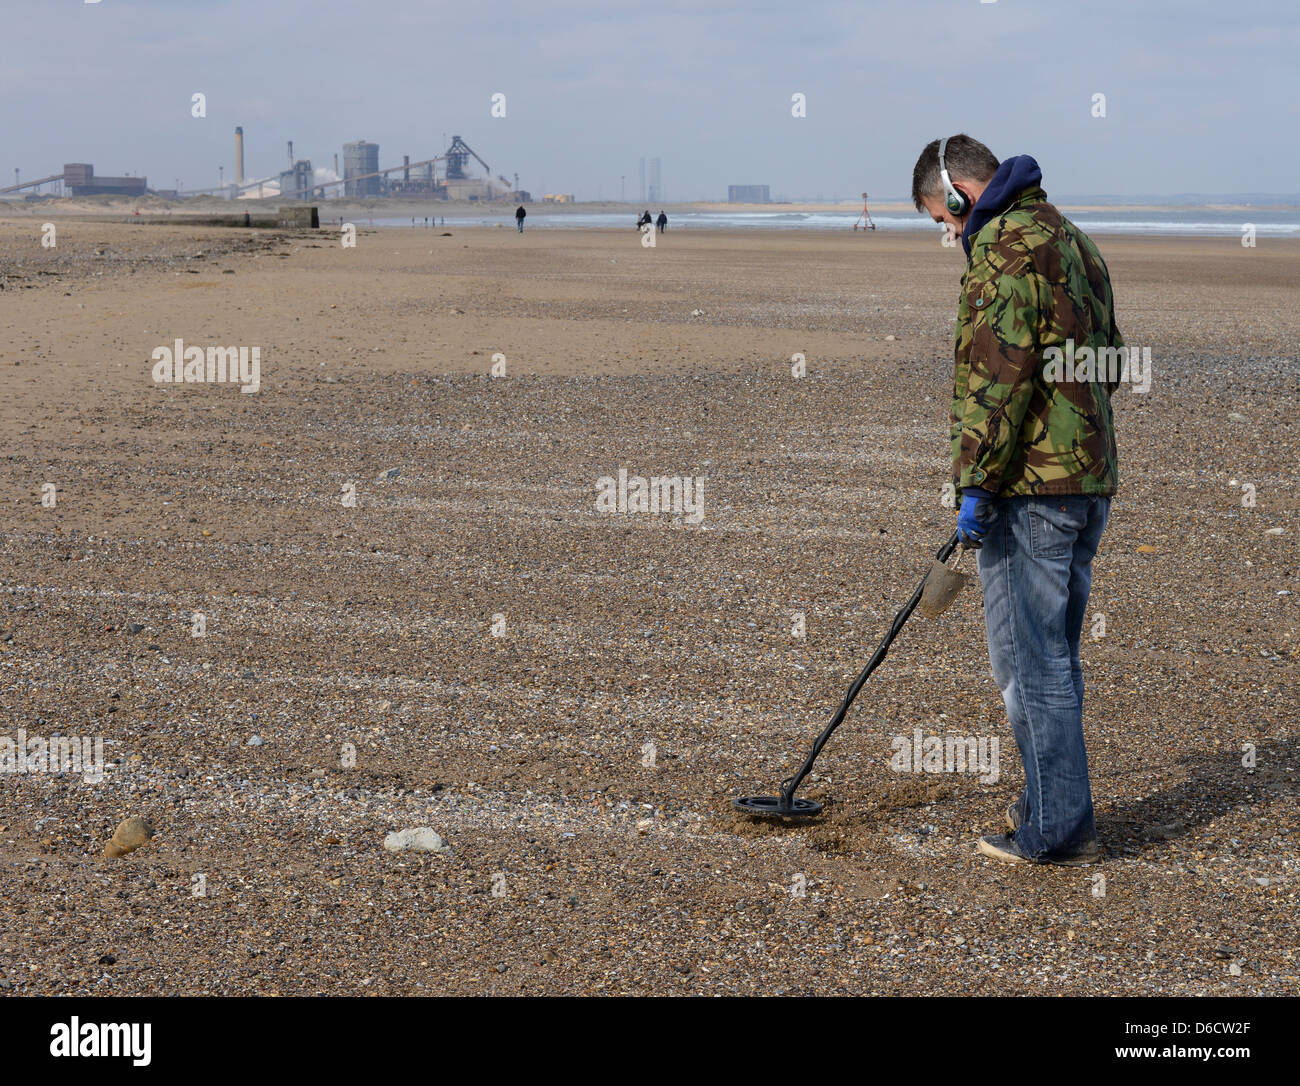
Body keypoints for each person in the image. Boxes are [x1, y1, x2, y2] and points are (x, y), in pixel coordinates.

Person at [911, 133, 1122, 867]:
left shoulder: (1000, 250)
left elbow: (993, 388)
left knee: (1032, 664)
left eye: (944, 221)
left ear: (964, 195)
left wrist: (976, 486)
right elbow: (1112, 362)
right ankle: (1048, 807)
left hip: (1030, 492)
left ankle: (1058, 831)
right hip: (1089, 482)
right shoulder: (1074, 239)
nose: (949, 236)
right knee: (1054, 655)